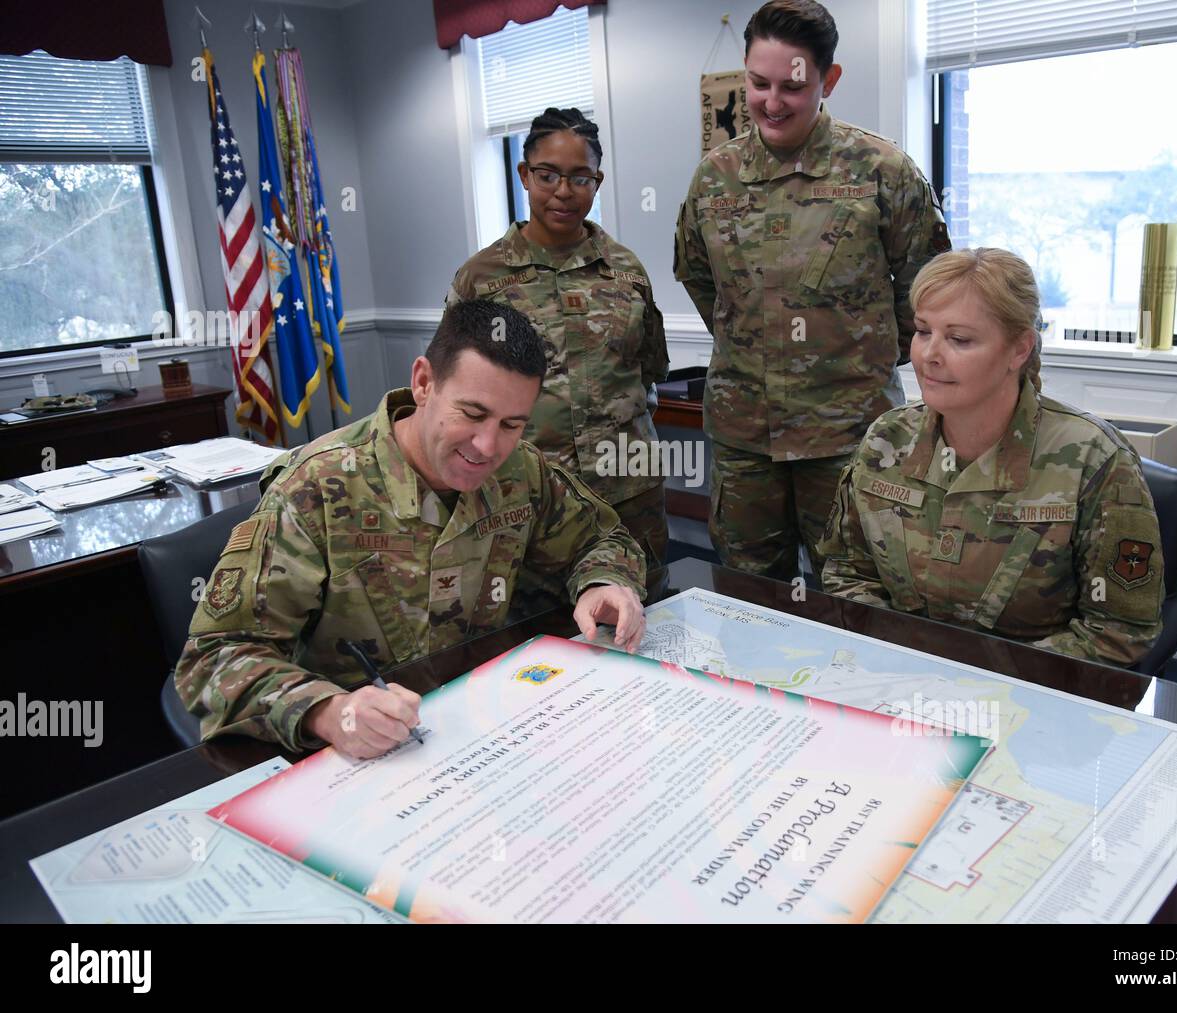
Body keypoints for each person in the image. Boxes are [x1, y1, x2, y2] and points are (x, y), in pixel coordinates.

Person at [175, 300, 647, 759]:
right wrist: (326, 710)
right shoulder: (316, 489)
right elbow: (215, 659)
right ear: (423, 383)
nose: (488, 446)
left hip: (484, 726)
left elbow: (604, 538)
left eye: (511, 424)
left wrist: (604, 582)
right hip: (356, 756)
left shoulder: (521, 471)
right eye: (473, 414)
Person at [673, 0, 950, 582]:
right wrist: (753, 340)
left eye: (791, 87)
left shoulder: (882, 171)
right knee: (749, 597)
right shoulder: (712, 178)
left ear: (828, 80)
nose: (771, 103)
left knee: (858, 594)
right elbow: (700, 279)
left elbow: (929, 289)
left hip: (851, 436)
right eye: (757, 83)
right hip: (745, 438)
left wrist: (860, 356)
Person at [819, 248, 1164, 667]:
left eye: (959, 339)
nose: (929, 355)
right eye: (923, 331)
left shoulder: (1094, 460)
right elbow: (848, 572)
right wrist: (897, 661)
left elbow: (1119, 633)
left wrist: (984, 682)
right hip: (898, 685)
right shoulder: (886, 440)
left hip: (1031, 701)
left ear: (1019, 349)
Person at [447, 108, 670, 587]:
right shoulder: (482, 279)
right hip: (528, 494)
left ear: (597, 180)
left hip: (628, 490)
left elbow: (648, 369)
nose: (564, 192)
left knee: (645, 614)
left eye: (579, 177)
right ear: (524, 175)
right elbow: (454, 392)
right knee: (536, 636)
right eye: (547, 175)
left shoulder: (626, 271)